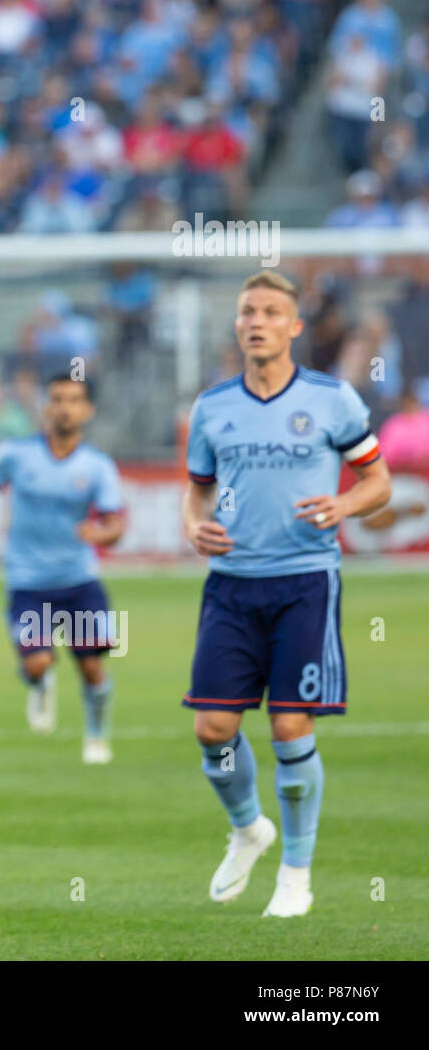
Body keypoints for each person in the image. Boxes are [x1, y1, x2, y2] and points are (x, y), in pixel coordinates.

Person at [182, 271, 390, 917]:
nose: (257, 320)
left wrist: (346, 501)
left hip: (305, 581)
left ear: (293, 326)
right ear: (238, 324)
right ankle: (248, 828)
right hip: (231, 586)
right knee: (213, 727)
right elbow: (196, 490)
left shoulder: (333, 399)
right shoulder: (212, 407)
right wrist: (194, 525)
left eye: (272, 311)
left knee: (289, 725)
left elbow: (378, 479)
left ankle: (296, 875)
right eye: (248, 310)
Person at [0, 374, 126, 764]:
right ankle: (40, 683)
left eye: (74, 400)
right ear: (45, 407)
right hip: (28, 581)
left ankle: (97, 734)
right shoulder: (15, 454)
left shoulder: (97, 466)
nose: (65, 407)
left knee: (91, 668)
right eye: (57, 399)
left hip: (79, 579)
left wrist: (101, 535)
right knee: (37, 661)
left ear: (87, 410)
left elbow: (116, 523)